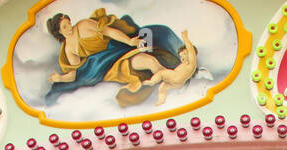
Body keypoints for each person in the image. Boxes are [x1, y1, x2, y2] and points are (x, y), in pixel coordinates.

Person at [44, 9, 183, 108]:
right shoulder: (69, 49)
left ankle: (177, 80)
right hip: (107, 67)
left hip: (117, 49)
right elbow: (73, 75)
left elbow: (109, 31)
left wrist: (129, 41)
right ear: (59, 32)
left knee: (150, 60)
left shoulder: (83, 25)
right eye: (64, 27)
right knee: (146, 61)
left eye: (68, 23)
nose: (69, 27)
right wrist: (60, 78)